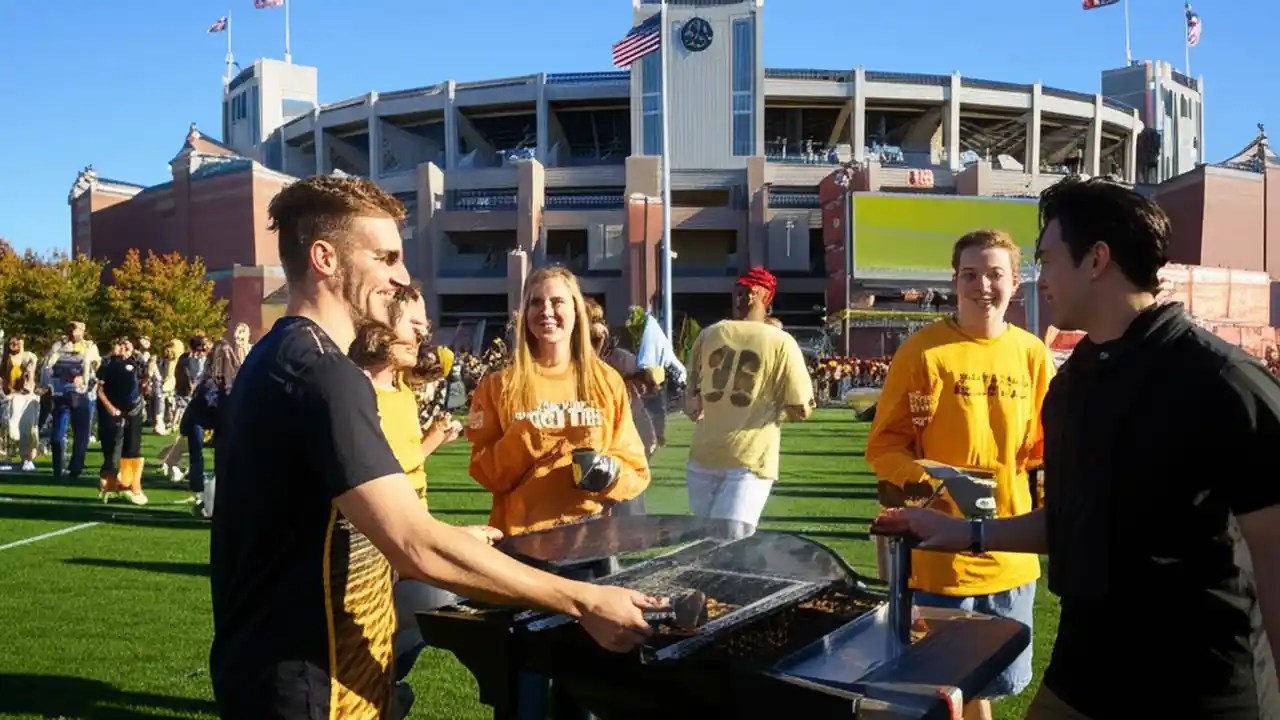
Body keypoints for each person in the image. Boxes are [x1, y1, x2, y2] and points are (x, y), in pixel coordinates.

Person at [210, 176, 662, 720]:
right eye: (386, 258)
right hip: (313, 683)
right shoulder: (326, 373)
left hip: (280, 669)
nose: (400, 278)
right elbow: (412, 543)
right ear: (325, 258)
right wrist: (586, 600)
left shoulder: (276, 356)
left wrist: (450, 537)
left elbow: (324, 523)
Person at [872, 178, 1280, 720]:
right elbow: (1071, 519)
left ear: (1096, 260)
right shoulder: (1074, 383)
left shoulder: (1224, 380)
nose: (1040, 279)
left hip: (1204, 685)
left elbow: (1274, 553)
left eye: (1046, 258)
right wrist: (963, 532)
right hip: (1084, 670)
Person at [865, 229, 1053, 719]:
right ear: (954, 281)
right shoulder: (923, 352)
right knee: (941, 690)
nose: (982, 286)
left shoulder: (1034, 355)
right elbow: (884, 445)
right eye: (970, 274)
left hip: (1011, 554)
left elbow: (1044, 452)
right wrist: (932, 481)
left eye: (995, 274)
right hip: (939, 556)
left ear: (1015, 282)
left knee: (990, 686)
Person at [349, 287, 469, 720]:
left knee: (425, 608)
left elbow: (442, 362)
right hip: (376, 542)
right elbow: (387, 466)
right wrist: (435, 438)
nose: (423, 330)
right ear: (379, 323)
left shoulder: (399, 387)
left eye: (425, 322)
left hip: (411, 527)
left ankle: (386, 690)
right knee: (390, 626)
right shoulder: (356, 391)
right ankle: (381, 694)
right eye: (412, 321)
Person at [466, 266, 651, 538]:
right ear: (525, 314)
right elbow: (483, 471)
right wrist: (526, 438)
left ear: (576, 311)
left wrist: (608, 474)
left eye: (557, 302)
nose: (546, 310)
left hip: (590, 541)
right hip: (523, 542)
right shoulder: (498, 385)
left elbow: (636, 470)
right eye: (536, 302)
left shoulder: (606, 380)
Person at [684, 266, 814, 535]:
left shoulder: (709, 333)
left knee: (708, 543)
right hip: (750, 458)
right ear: (762, 296)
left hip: (703, 456)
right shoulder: (781, 341)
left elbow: (690, 402)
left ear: (752, 294)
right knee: (730, 546)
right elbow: (801, 408)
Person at [42, 321, 97, 480]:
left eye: (77, 329)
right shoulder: (59, 346)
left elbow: (96, 365)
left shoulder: (89, 347)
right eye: (71, 329)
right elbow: (47, 366)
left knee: (81, 435)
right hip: (61, 394)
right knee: (57, 436)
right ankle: (58, 467)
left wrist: (88, 374)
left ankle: (76, 468)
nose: (73, 332)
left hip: (82, 395)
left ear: (83, 331)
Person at [95, 337, 147, 505]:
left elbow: (143, 383)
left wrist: (145, 389)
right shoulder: (108, 364)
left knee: (133, 448)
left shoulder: (137, 363)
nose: (125, 347)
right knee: (113, 449)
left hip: (134, 410)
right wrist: (110, 408)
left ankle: (132, 486)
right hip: (113, 412)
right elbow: (100, 389)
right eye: (121, 344)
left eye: (128, 344)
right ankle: (108, 485)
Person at [1, 336, 40, 471]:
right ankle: (9, 455)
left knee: (29, 429)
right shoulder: (6, 359)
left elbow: (31, 372)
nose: (14, 346)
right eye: (12, 343)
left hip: (28, 396)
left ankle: (28, 459)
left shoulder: (29, 356)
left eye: (16, 343)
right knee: (11, 428)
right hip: (12, 397)